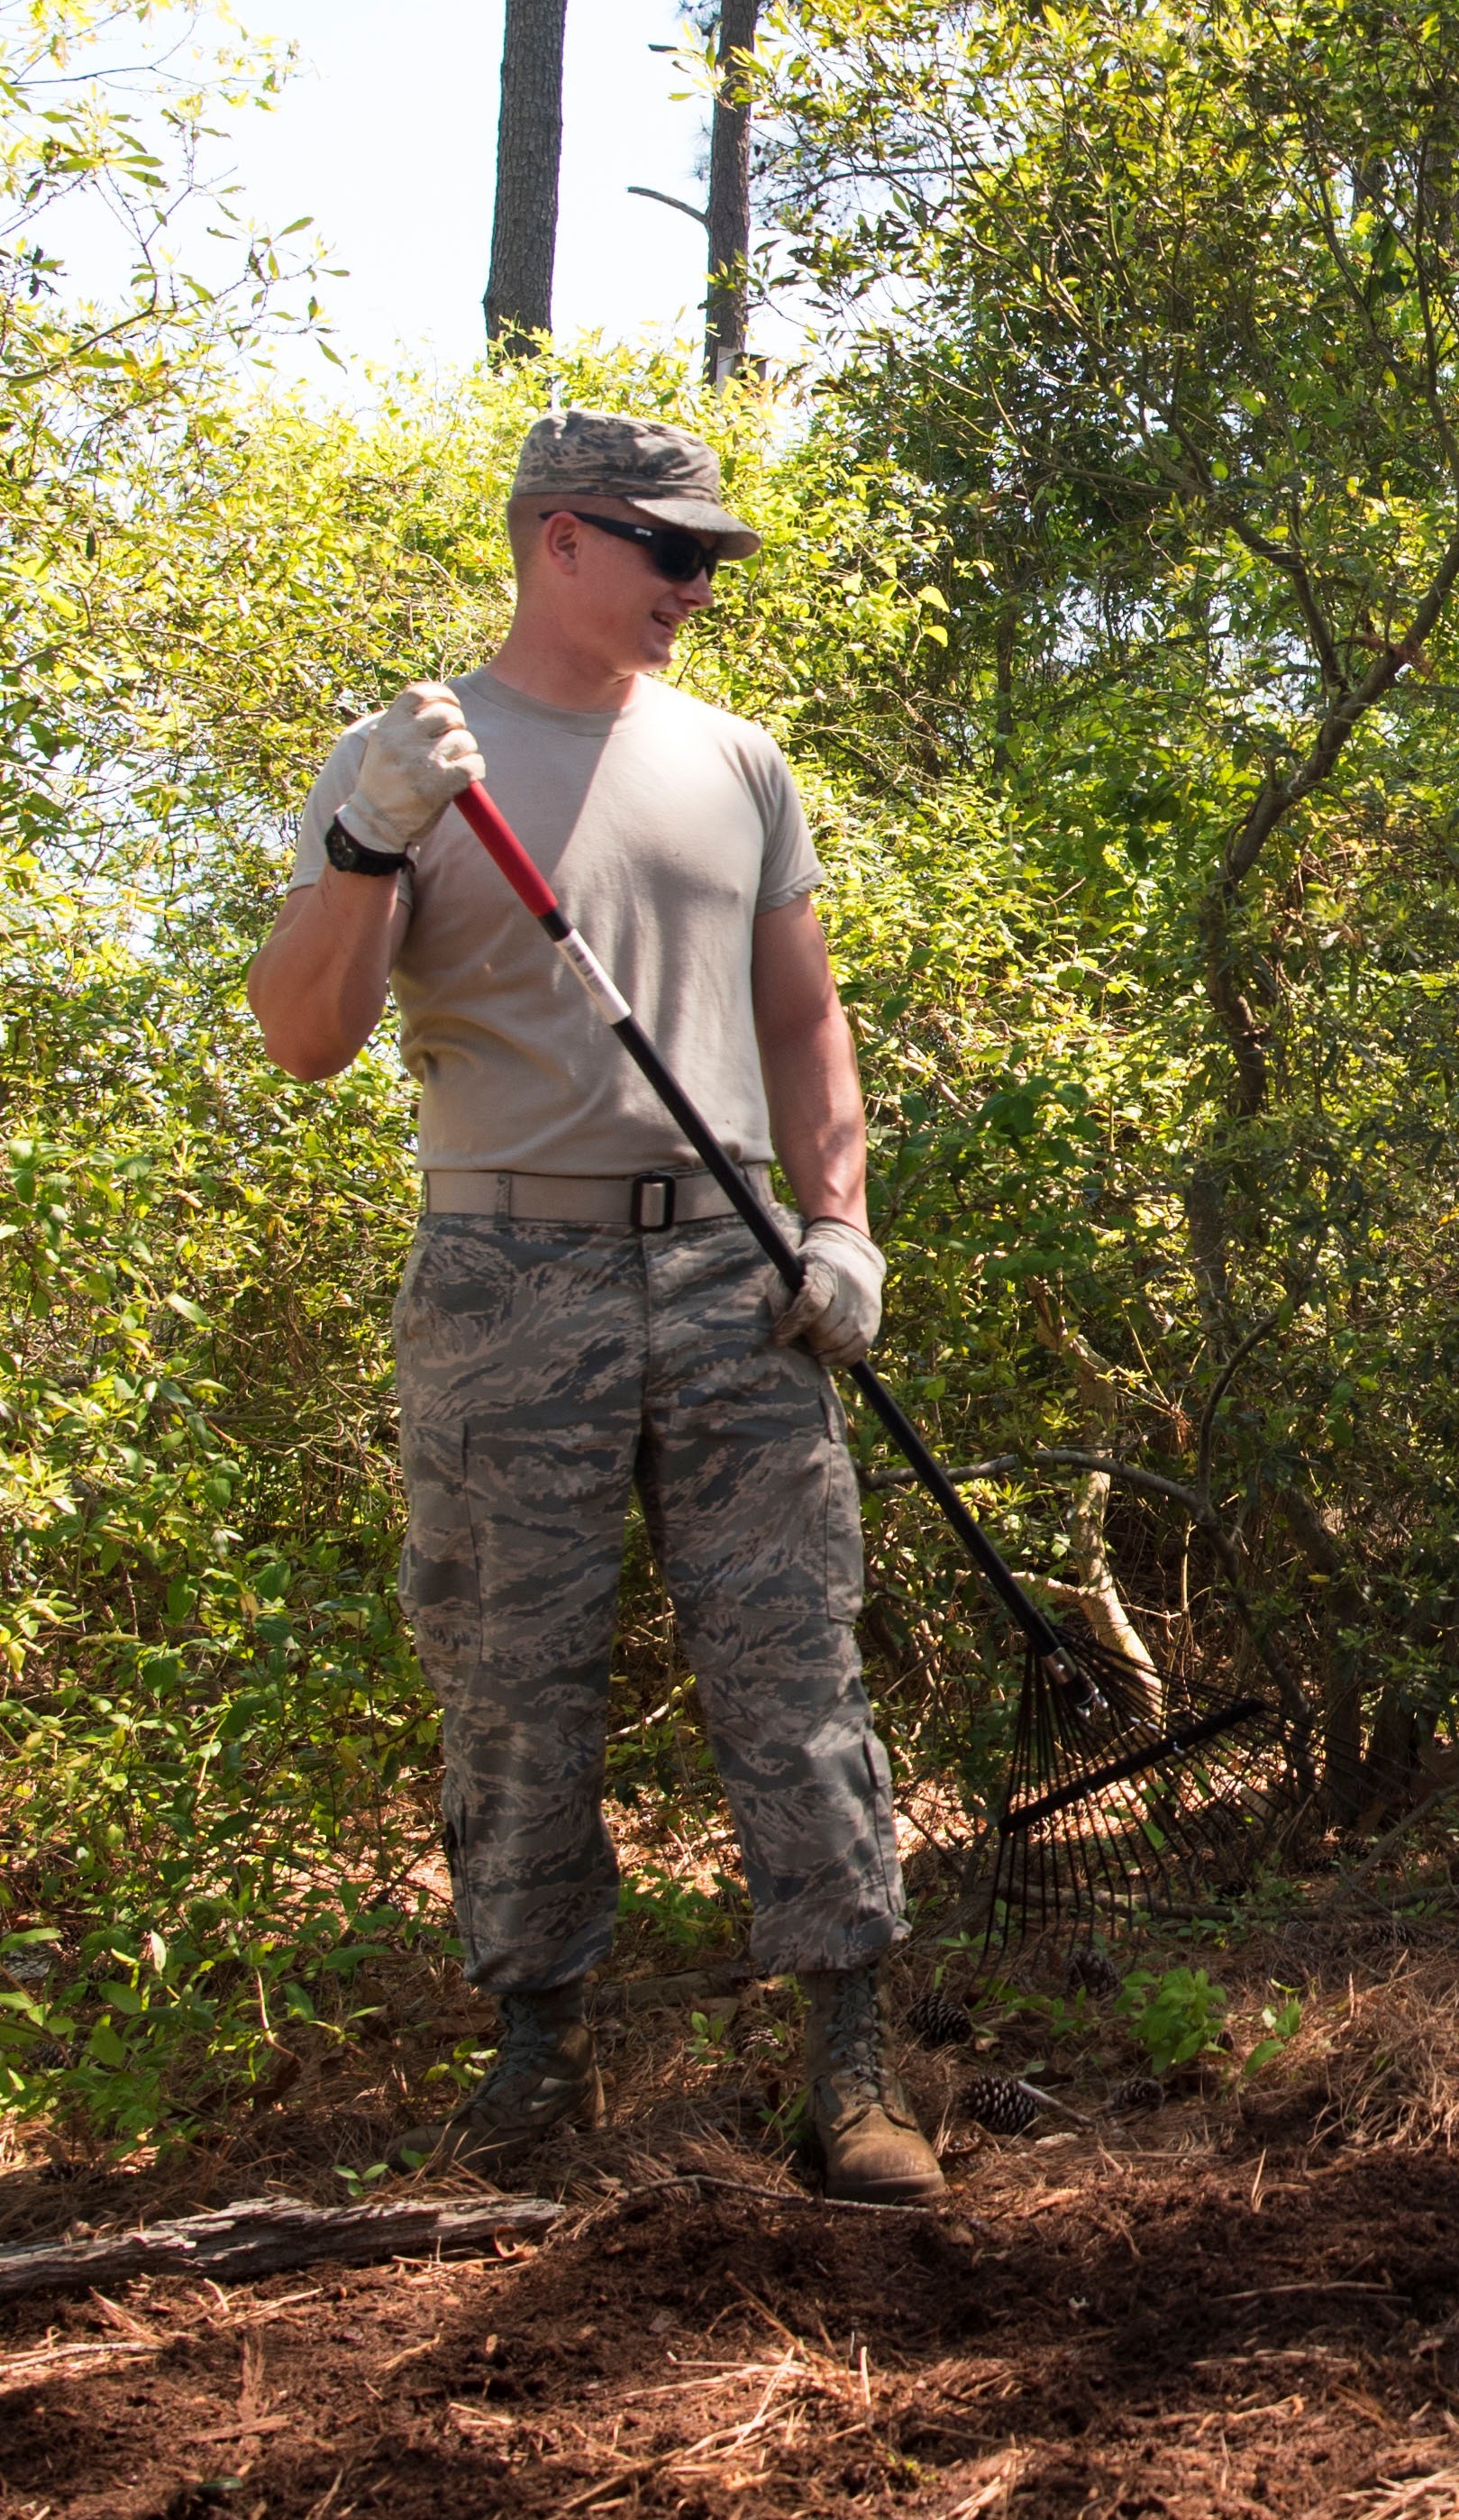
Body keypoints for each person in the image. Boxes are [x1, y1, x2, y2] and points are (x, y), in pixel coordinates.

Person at [245, 411, 941, 2199]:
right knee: (512, 1685)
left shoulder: (736, 764)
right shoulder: (406, 766)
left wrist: (838, 1226)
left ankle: (850, 2073)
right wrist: (363, 841)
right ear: (560, 538)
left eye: (708, 557)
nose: (695, 588)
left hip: (732, 1273)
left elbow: (802, 1019)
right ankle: (535, 2062)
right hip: (505, 1279)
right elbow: (307, 1039)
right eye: (668, 552)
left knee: (793, 1668)